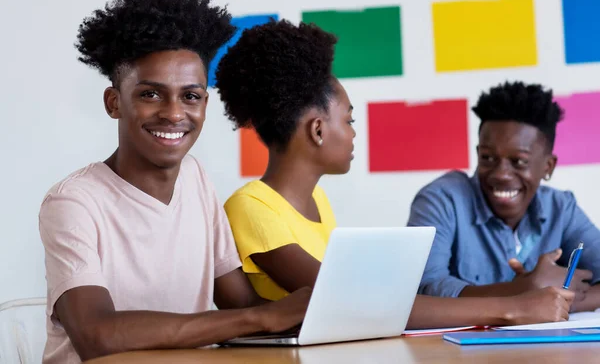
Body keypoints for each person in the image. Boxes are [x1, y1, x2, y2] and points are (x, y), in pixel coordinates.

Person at [214, 19, 574, 329]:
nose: (355, 132)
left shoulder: (316, 201)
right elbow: (360, 303)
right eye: (349, 120)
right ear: (318, 130)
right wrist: (513, 308)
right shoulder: (252, 208)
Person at [38, 0, 309, 364]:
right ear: (114, 102)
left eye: (191, 96)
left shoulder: (195, 179)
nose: (174, 113)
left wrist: (315, 314)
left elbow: (241, 302)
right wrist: (261, 318)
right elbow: (97, 335)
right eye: (151, 94)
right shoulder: (73, 202)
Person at [407, 81, 600, 312]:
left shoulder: (562, 208)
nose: (501, 174)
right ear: (477, 153)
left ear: (548, 166)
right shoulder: (441, 200)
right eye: (488, 158)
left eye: (519, 161)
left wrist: (552, 299)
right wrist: (524, 291)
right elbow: (423, 290)